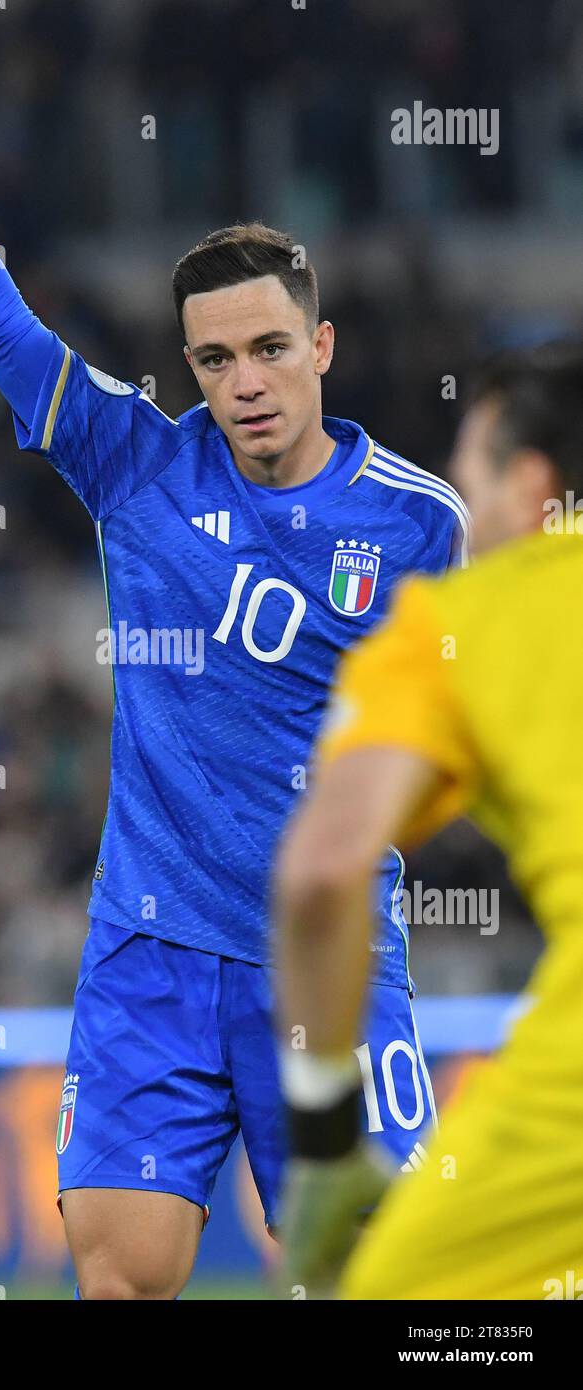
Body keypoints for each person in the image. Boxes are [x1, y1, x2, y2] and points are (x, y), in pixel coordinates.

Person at [0, 22, 467, 1299]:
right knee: (121, 1276)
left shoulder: (418, 523)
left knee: (369, 1281)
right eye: (214, 359)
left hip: (321, 954)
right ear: (190, 368)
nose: (245, 382)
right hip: (148, 946)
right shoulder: (137, 464)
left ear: (319, 348)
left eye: (270, 349)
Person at [275, 342, 583, 1299]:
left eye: (470, 487)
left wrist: (325, 1136)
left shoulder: (452, 627)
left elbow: (324, 872)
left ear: (531, 485)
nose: (462, 519)